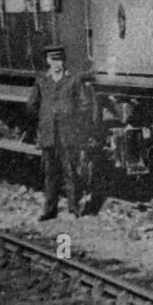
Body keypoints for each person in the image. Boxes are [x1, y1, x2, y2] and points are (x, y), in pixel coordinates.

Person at [28, 44, 91, 221]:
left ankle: (73, 209)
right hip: (48, 134)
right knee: (50, 174)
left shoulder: (73, 80)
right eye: (54, 60)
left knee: (70, 172)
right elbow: (32, 105)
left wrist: (74, 122)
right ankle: (49, 210)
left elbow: (85, 105)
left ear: (64, 61)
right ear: (48, 61)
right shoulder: (42, 81)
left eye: (60, 60)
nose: (58, 64)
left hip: (67, 134)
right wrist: (44, 120)